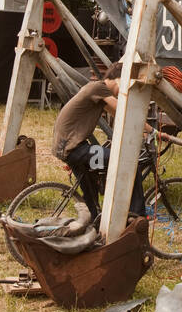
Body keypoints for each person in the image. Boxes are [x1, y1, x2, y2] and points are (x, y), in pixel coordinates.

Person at [50, 61, 146, 223]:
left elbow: (120, 115)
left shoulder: (100, 95)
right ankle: (137, 216)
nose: (123, 91)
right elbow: (123, 109)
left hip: (68, 148)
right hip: (74, 149)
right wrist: (153, 132)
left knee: (90, 189)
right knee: (127, 163)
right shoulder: (98, 88)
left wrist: (149, 130)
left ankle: (94, 224)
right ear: (118, 79)